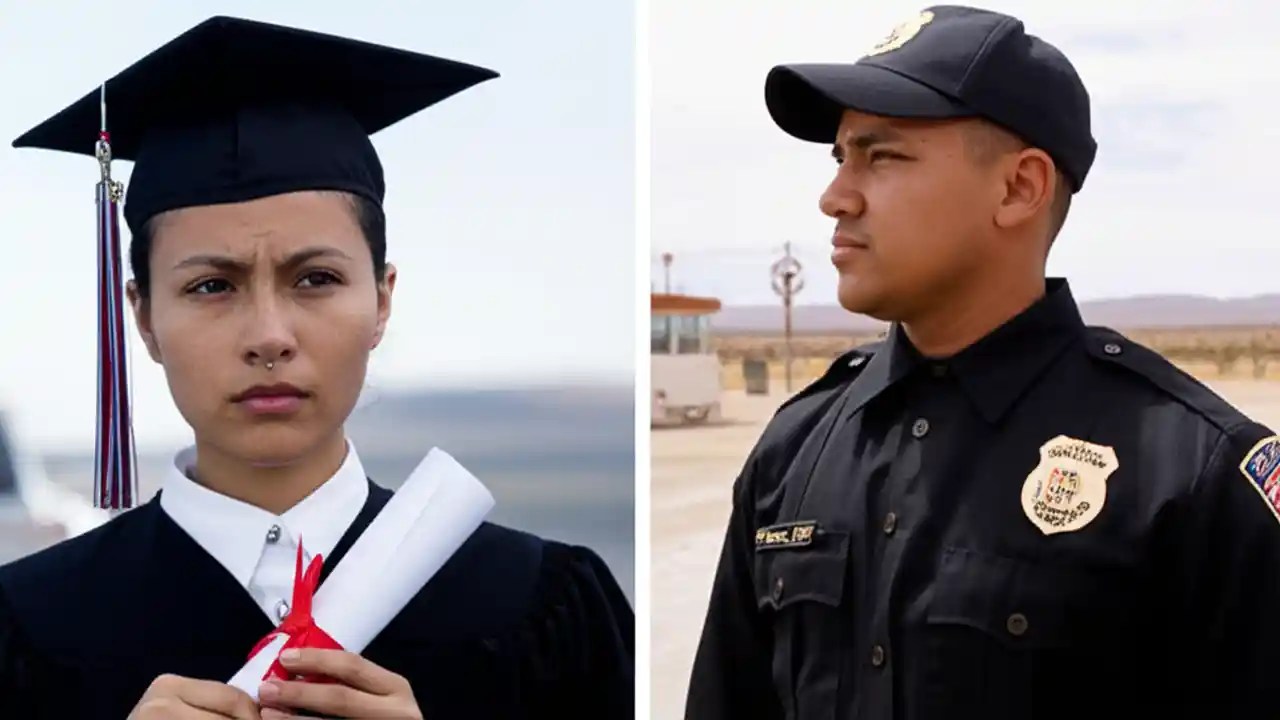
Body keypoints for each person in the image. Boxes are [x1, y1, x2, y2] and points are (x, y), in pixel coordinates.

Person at [0, 16, 633, 720]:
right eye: (212, 286)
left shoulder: (540, 606)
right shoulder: (24, 627)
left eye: (316, 279)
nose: (269, 337)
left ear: (382, 301)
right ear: (143, 317)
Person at [684, 5, 1280, 718]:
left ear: (1018, 188)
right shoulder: (794, 452)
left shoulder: (1194, 473)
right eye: (841, 157)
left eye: (882, 156)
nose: (835, 197)